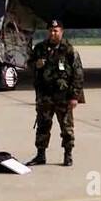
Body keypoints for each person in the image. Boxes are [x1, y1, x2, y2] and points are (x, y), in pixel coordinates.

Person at [28, 20, 84, 166]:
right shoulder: (40, 48)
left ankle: (68, 155)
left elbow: (78, 75)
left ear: (62, 32)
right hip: (45, 96)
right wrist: (36, 65)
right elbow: (29, 64)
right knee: (42, 126)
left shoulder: (69, 50)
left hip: (63, 97)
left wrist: (74, 96)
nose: (53, 34)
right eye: (51, 31)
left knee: (66, 128)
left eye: (56, 31)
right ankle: (40, 155)